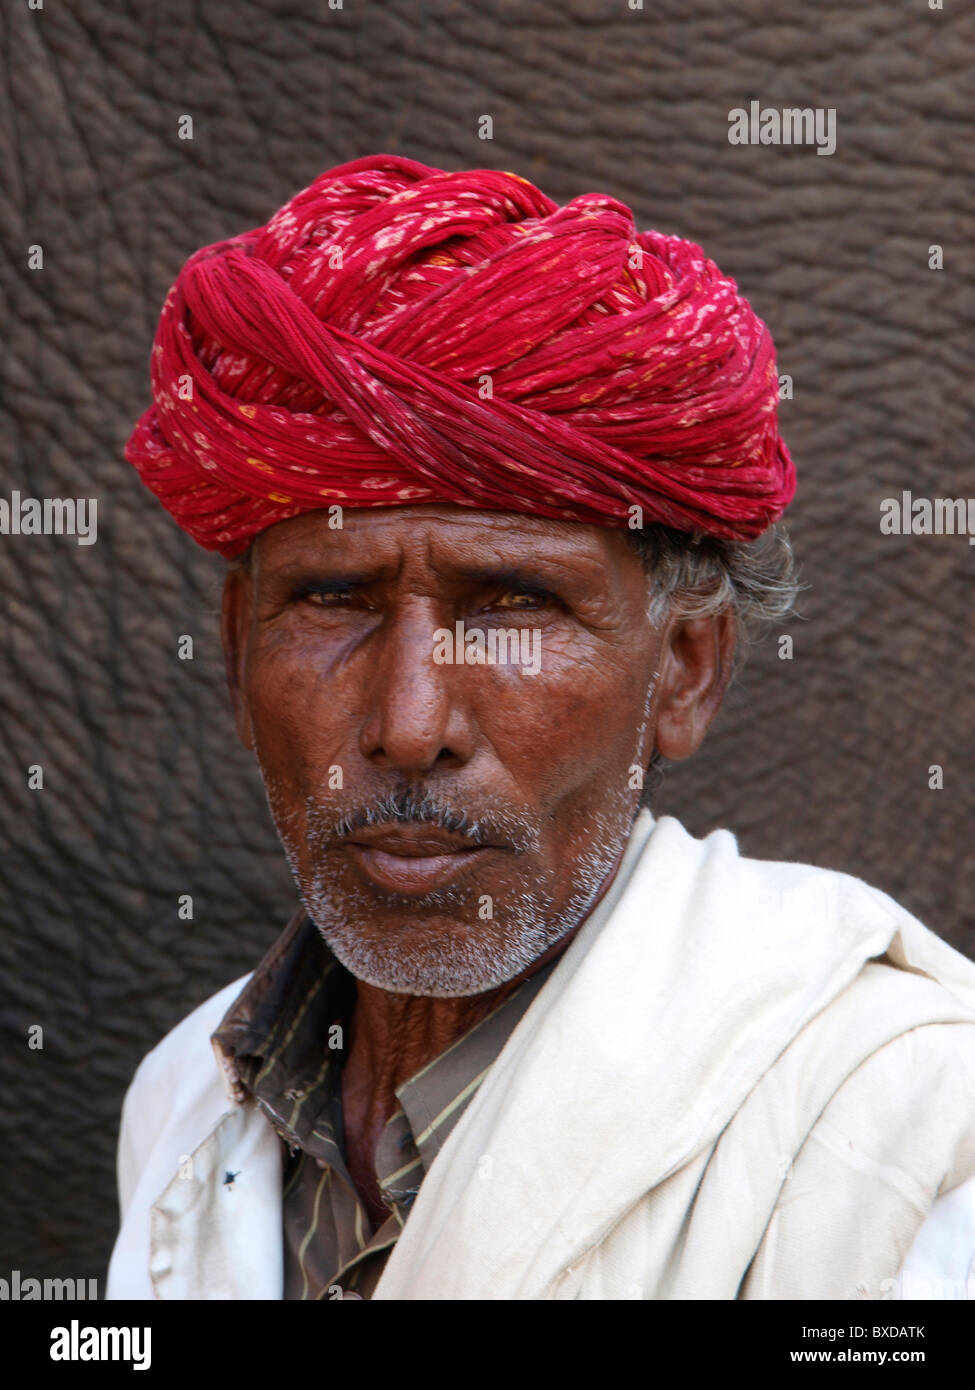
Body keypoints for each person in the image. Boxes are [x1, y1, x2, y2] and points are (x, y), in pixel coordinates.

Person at [106, 154, 975, 1300]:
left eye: (516, 602)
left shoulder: (905, 1122)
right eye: (332, 600)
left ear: (683, 670)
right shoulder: (184, 1100)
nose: (410, 723)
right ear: (236, 650)